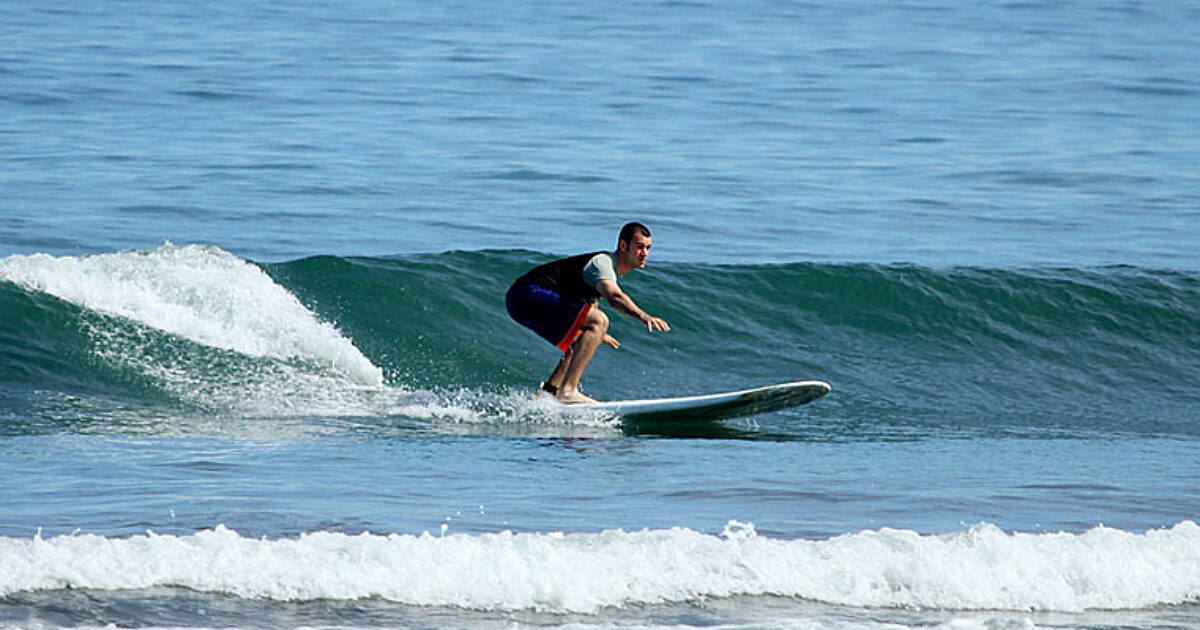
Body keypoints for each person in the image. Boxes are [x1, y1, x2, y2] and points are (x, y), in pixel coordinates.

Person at [505, 222, 671, 404]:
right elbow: (614, 297)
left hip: (519, 301)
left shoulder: (607, 271)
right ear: (623, 245)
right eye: (639, 247)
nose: (645, 253)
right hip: (527, 294)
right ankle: (568, 391)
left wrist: (597, 334)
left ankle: (549, 394)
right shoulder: (603, 263)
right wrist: (643, 316)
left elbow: (590, 304)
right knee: (599, 321)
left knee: (582, 338)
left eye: (648, 248)